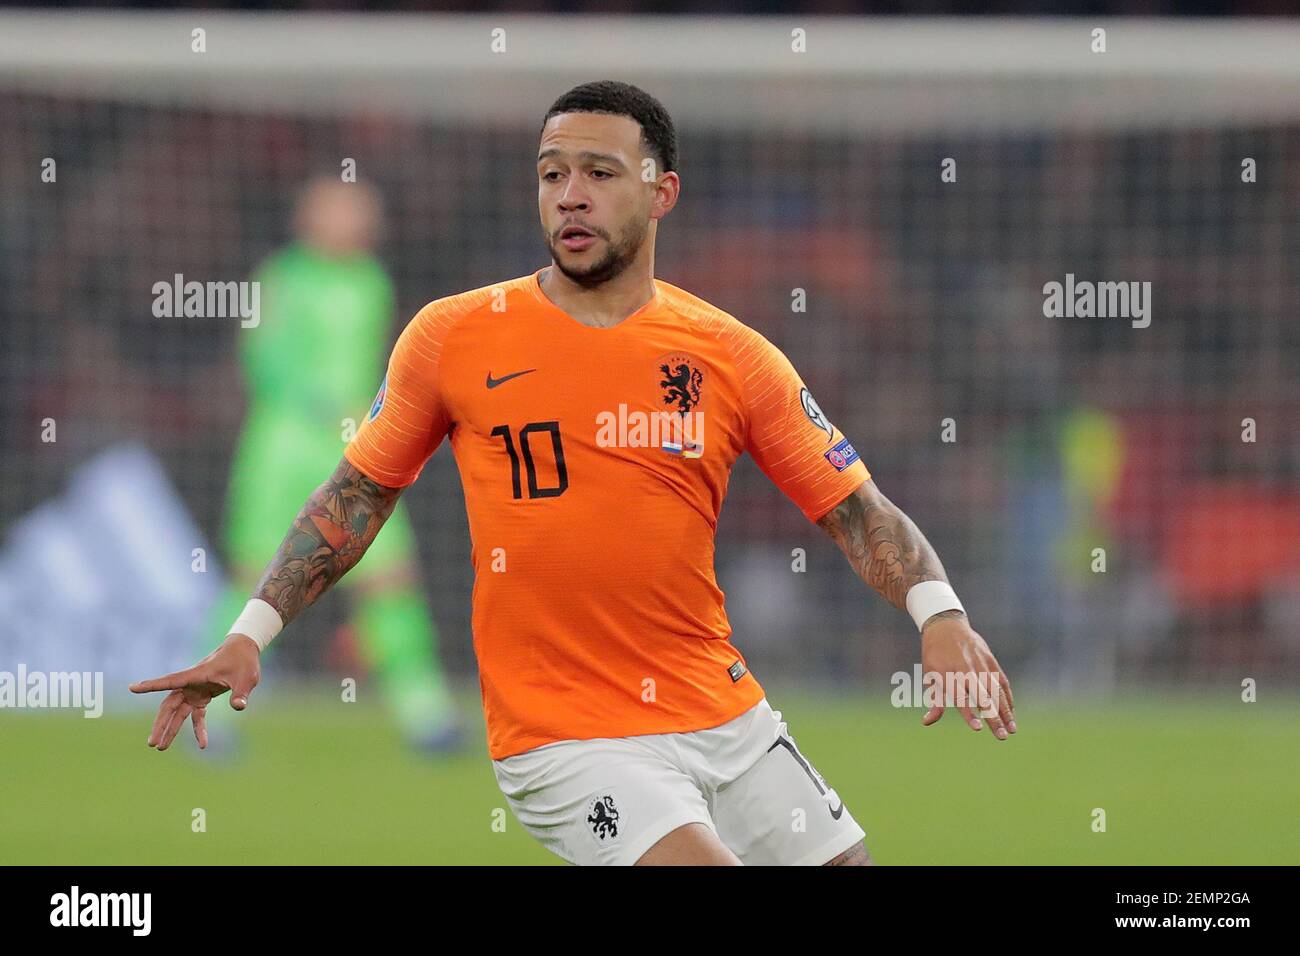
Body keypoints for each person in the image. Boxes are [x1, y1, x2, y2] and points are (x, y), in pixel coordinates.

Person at [133, 81, 1015, 866]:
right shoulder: (454, 337)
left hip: (721, 710)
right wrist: (251, 631)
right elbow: (356, 495)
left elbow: (858, 511)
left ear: (662, 193)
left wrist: (939, 615)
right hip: (564, 737)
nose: (570, 196)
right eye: (552, 174)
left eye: (599, 172)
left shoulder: (732, 357)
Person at [201, 177, 461, 752]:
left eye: (360, 212)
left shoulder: (372, 282)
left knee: (388, 579)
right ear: (309, 217)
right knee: (254, 577)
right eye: (339, 210)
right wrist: (313, 401)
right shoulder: (280, 278)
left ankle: (428, 718)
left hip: (355, 446)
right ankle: (213, 718)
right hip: (282, 443)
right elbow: (261, 359)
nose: (352, 222)